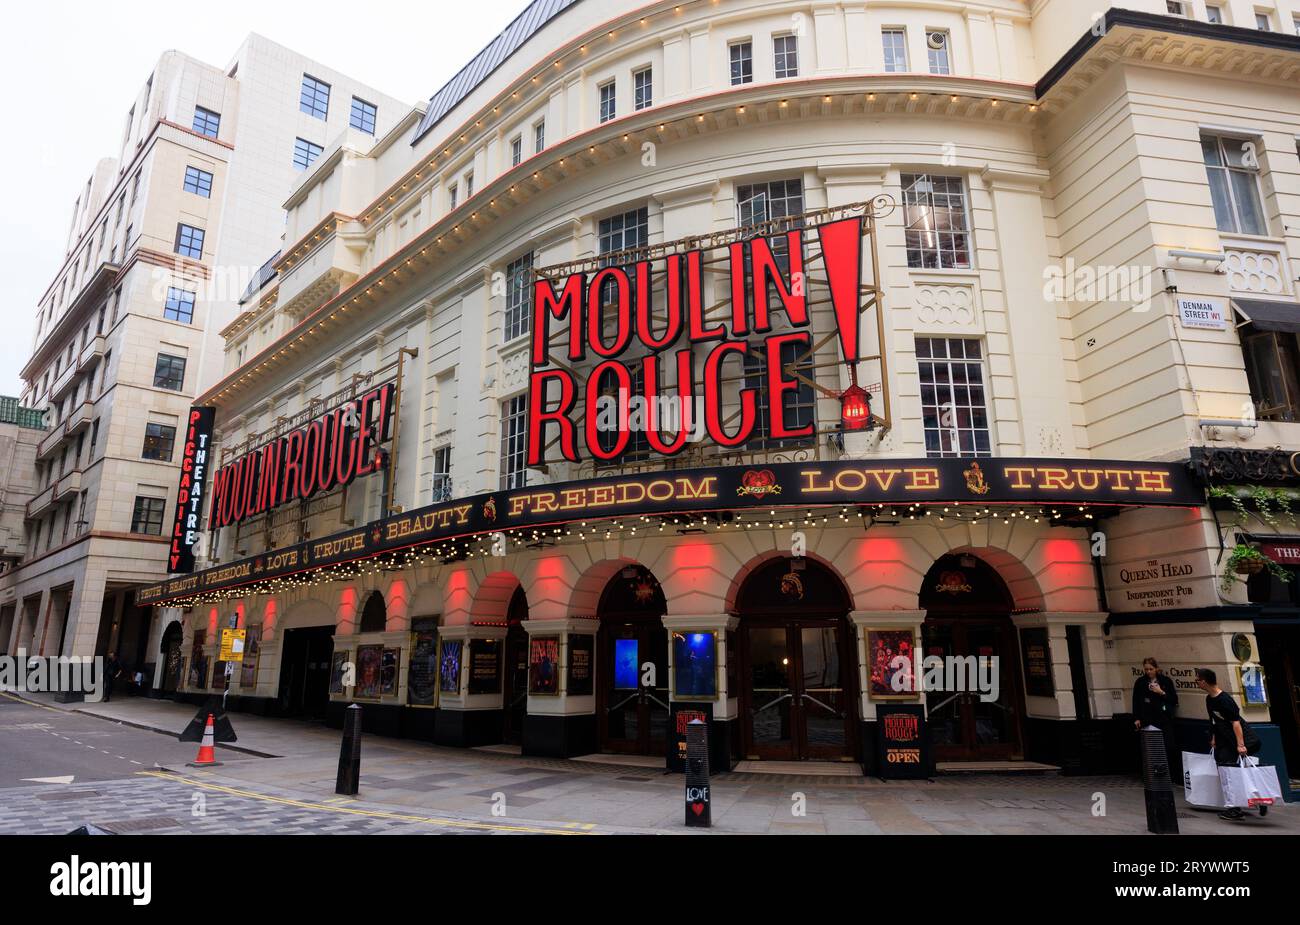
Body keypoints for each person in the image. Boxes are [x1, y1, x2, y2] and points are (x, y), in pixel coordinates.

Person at [1194, 667, 1264, 820]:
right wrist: (1213, 738)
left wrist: (1240, 745)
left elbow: (1236, 723)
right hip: (1224, 741)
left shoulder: (1225, 699)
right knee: (1229, 772)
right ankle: (1253, 799)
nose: (1196, 683)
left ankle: (1237, 808)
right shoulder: (1209, 699)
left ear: (1204, 682)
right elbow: (1213, 720)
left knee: (1230, 773)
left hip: (1236, 741)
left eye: (1197, 680)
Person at [1132, 657, 1179, 778]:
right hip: (1147, 719)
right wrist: (1137, 718)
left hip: (1164, 718)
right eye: (1146, 669)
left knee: (1168, 746)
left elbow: (1173, 700)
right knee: (1151, 748)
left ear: (1156, 669)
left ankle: (1168, 773)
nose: (1148, 672)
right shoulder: (1141, 682)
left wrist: (1160, 692)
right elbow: (1136, 701)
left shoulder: (1165, 681)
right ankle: (1151, 774)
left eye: (1151, 669)